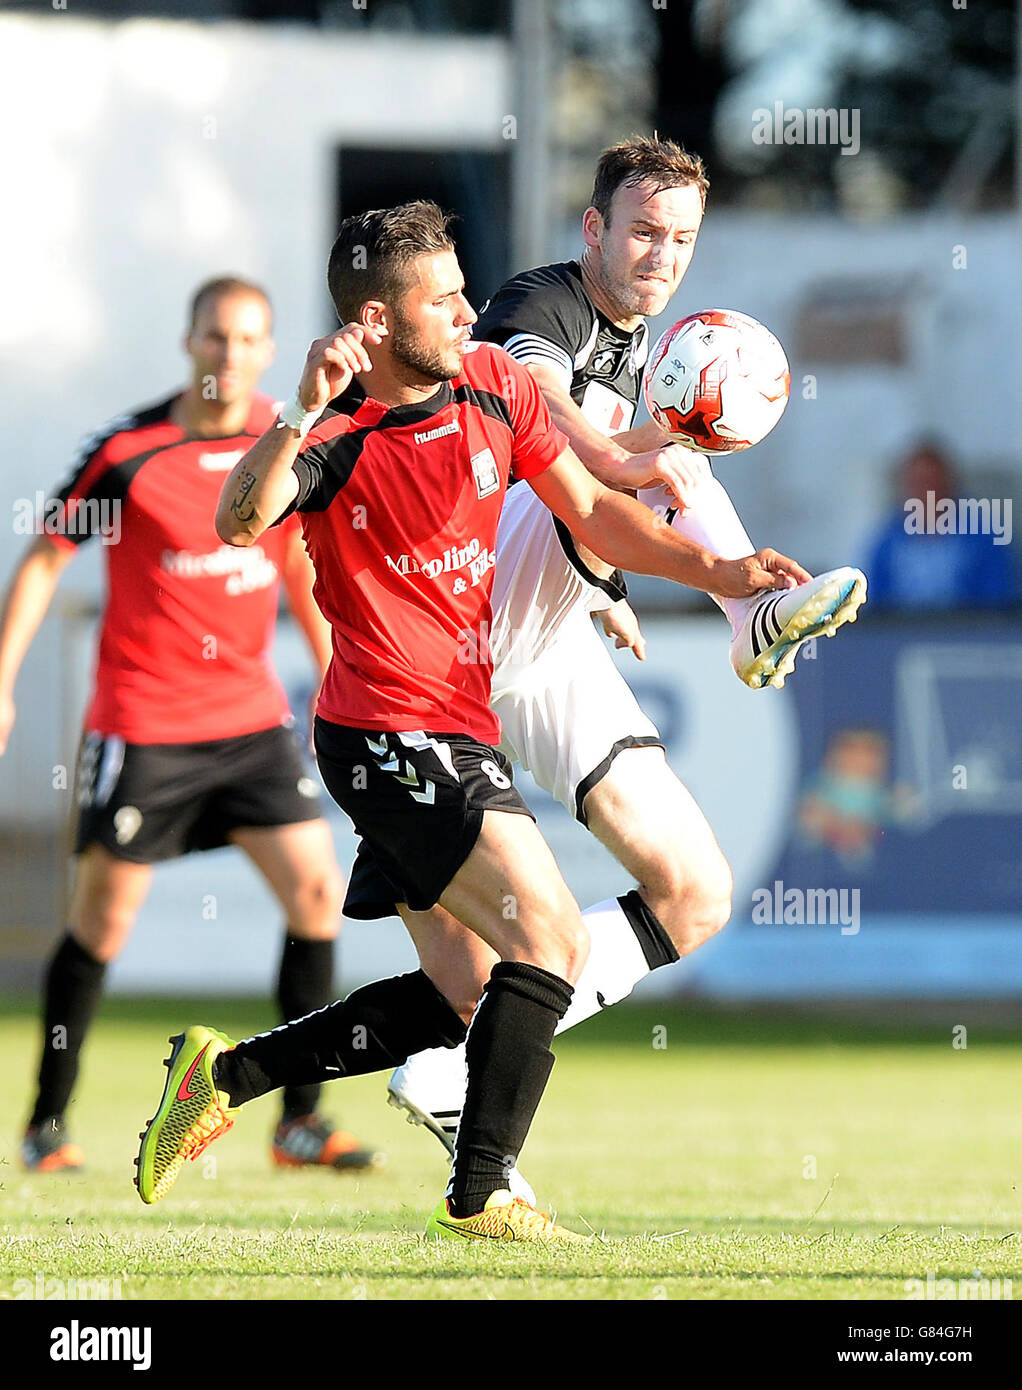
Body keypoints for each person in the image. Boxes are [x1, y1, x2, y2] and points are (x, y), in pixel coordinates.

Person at [133, 200, 809, 1242]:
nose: (465, 312)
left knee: (474, 993)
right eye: (442, 299)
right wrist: (293, 413)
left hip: (455, 719)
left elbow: (589, 508)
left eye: (462, 288)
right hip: (382, 733)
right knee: (543, 934)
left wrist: (719, 571)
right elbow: (239, 520)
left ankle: (223, 1076)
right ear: (374, 319)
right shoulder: (339, 429)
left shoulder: (492, 383)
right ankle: (482, 1189)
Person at [372, 136, 866, 1167]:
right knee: (658, 442)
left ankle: (457, 1067)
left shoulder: (651, 343)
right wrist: (646, 466)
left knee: (694, 894)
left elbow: (590, 485)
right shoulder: (534, 304)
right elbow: (546, 428)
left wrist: (600, 590)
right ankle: (749, 623)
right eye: (642, 229)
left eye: (679, 237)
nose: (659, 253)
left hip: (544, 642)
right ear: (593, 228)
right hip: (461, 628)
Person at [0, 277, 380, 1175]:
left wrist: (343, 686)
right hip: (144, 723)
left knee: (318, 896)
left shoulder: (284, 444)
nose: (231, 355)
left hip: (250, 723)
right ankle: (46, 1125)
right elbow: (47, 557)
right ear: (189, 342)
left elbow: (301, 578)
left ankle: (299, 1124)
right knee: (103, 922)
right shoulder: (130, 452)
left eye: (250, 340)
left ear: (268, 349)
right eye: (217, 337)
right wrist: (4, 678)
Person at [865, 440, 1018, 609]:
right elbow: (876, 604)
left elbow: (1000, 602)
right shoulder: (887, 544)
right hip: (903, 633)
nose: (926, 493)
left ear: (950, 484)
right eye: (918, 484)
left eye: (932, 482)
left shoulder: (984, 539)